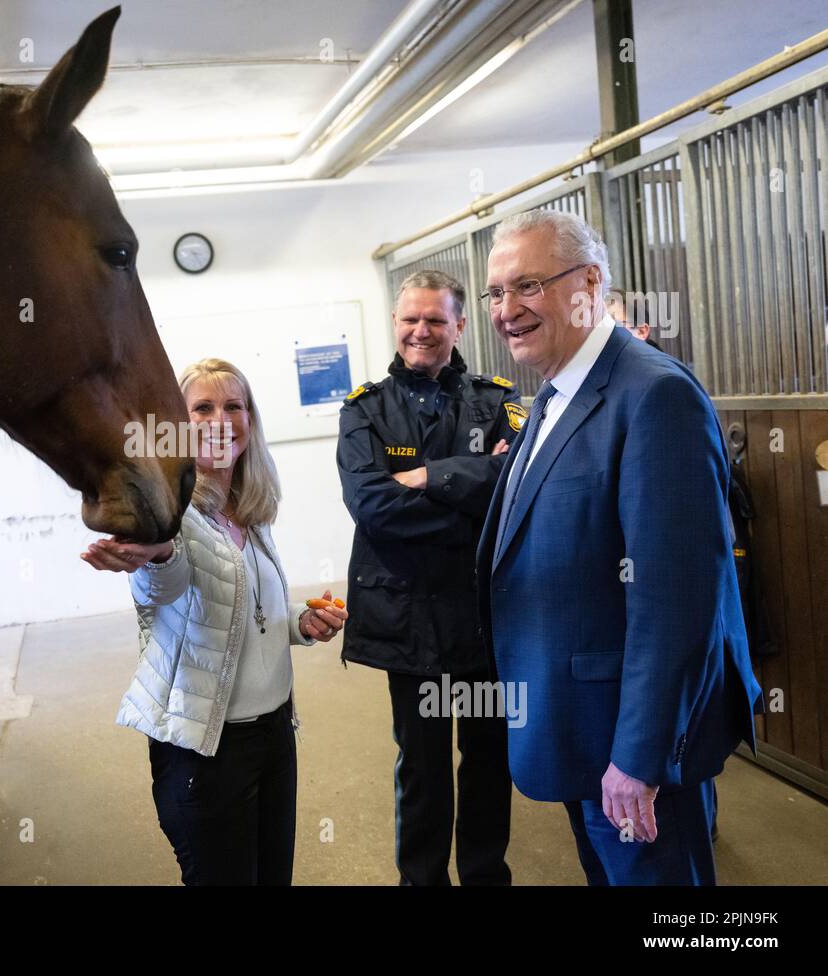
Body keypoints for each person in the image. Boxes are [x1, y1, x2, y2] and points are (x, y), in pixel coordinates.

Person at [476, 208, 762, 885]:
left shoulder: (654, 395)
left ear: (588, 284)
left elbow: (676, 601)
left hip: (628, 752)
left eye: (527, 286)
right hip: (576, 727)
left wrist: (639, 756)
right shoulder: (553, 396)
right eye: (495, 293)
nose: (506, 309)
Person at [83, 357, 347, 885]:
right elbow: (165, 585)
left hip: (274, 737)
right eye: (201, 407)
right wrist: (157, 552)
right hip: (205, 750)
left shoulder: (248, 510)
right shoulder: (166, 512)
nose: (220, 419)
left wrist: (302, 621)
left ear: (251, 420)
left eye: (234, 406)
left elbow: (250, 610)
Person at [337, 270, 522, 885]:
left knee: (489, 763)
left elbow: (515, 491)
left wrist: (426, 477)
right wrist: (470, 488)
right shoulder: (364, 409)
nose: (422, 331)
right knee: (421, 768)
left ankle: (485, 875)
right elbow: (372, 507)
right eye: (411, 319)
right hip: (408, 625)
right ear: (396, 322)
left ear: (460, 325)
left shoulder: (498, 403)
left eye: (436, 320)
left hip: (483, 622)